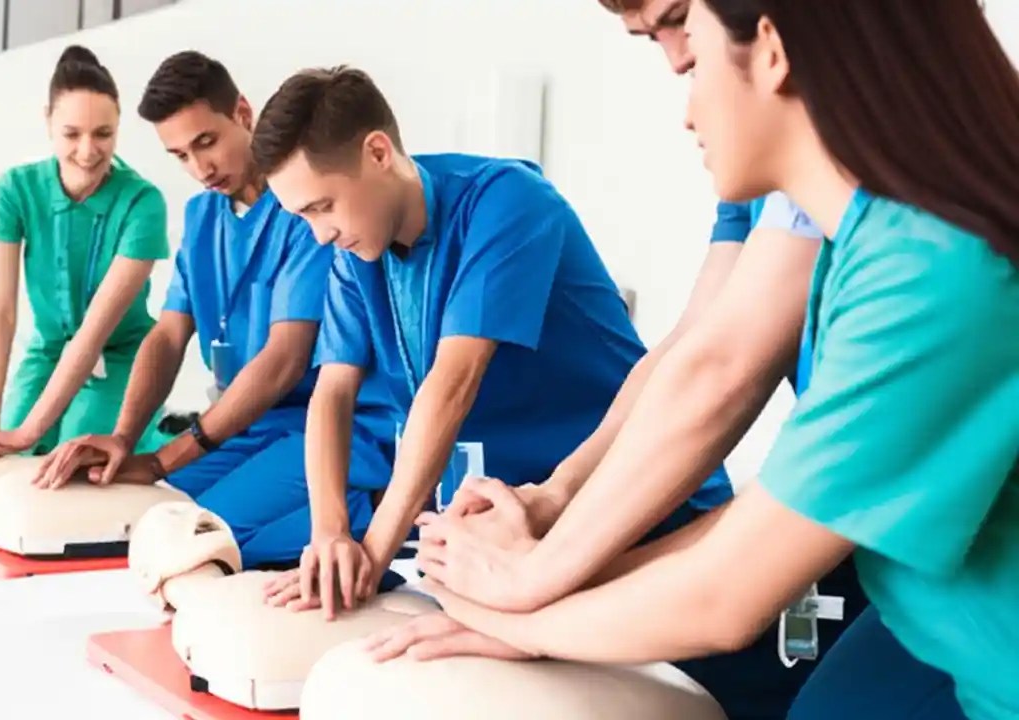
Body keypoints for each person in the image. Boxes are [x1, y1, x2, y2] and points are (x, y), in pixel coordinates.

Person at [374, 1, 1019, 718]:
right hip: (933, 604)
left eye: (692, 37)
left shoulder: (930, 271)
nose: (682, 85)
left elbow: (725, 594)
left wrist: (512, 605)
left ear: (769, 46)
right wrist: (546, 572)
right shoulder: (866, 237)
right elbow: (719, 372)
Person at [252, 65, 733, 619]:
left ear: (378, 152)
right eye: (303, 216)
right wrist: (331, 533)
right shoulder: (356, 255)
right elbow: (332, 393)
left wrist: (370, 561)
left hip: (626, 501)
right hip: (508, 529)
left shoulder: (506, 203)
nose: (321, 233)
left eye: (322, 206)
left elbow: (453, 383)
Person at [32, 51, 398, 569]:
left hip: (335, 428)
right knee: (153, 515)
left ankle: (386, 505)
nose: (200, 167)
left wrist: (167, 455)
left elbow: (283, 361)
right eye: (179, 154)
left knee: (208, 534)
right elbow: (167, 336)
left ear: (243, 115)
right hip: (251, 427)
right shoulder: (202, 216)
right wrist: (123, 439)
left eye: (207, 142)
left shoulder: (305, 207)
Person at [0, 46, 170, 464]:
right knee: (8, 457)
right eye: (72, 133)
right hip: (49, 352)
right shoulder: (13, 190)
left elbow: (93, 334)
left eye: (103, 134)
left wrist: (26, 433)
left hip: (121, 353)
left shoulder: (143, 202)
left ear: (118, 128)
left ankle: (161, 428)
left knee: (72, 451)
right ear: (48, 123)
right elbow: (2, 312)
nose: (88, 150)